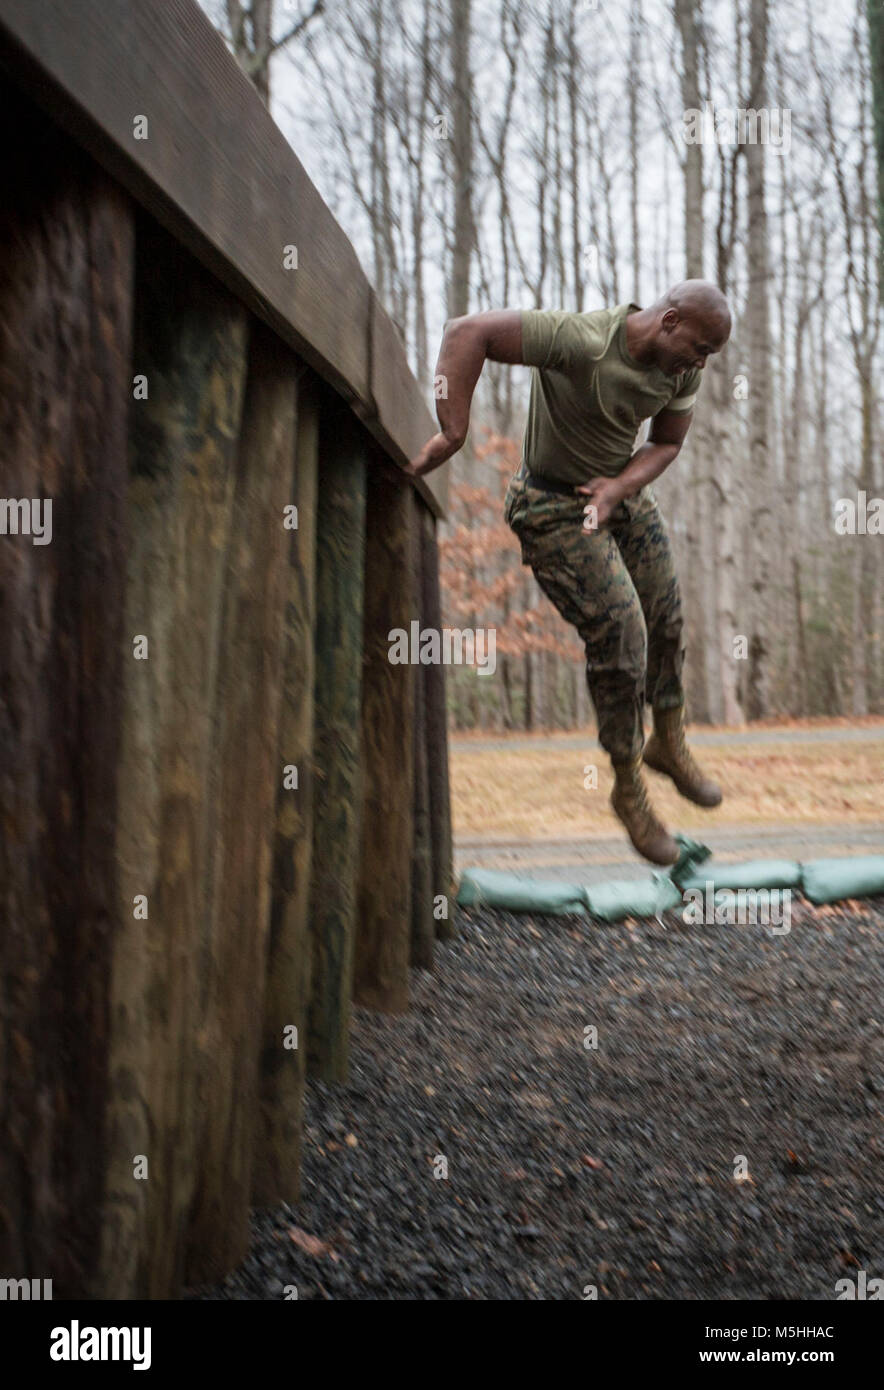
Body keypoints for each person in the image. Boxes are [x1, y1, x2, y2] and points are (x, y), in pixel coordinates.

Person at [406, 281, 732, 865]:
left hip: (618, 494)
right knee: (623, 631)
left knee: (667, 615)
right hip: (551, 505)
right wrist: (453, 429)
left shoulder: (684, 368)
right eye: (700, 349)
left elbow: (666, 444)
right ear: (670, 321)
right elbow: (465, 332)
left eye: (708, 357)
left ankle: (669, 740)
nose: (701, 365)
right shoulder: (580, 340)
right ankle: (628, 780)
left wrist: (618, 487)